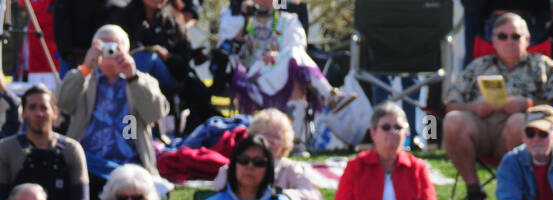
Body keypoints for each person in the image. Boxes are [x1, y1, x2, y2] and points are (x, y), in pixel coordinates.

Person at [442, 11, 553, 200]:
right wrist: (474, 108)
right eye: (502, 36)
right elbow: (450, 104)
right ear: (493, 40)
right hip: (481, 128)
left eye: (516, 36)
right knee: (453, 121)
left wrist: (527, 104)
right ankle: (474, 192)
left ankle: (518, 193)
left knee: (518, 122)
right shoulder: (478, 66)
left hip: (520, 131)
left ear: (527, 39)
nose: (509, 41)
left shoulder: (543, 66)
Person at [220, 0, 353, 141]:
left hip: (281, 71)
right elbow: (227, 51)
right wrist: (245, 18)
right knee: (294, 59)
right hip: (253, 76)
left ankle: (295, 141)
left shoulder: (288, 20)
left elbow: (298, 47)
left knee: (295, 63)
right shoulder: (238, 21)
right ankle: (329, 95)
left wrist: (277, 56)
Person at [57, 25, 170, 183]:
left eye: (115, 45)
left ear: (127, 50)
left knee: (128, 173)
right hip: (88, 164)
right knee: (81, 161)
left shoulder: (143, 81)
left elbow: (155, 114)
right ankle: (112, 175)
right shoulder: (83, 78)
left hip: (130, 163)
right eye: (102, 45)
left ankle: (114, 175)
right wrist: (85, 68)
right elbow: (62, 104)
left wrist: (133, 78)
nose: (108, 50)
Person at [106, 0, 213, 136]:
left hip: (166, 77)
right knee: (143, 57)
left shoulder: (173, 20)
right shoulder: (123, 16)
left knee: (146, 58)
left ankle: (122, 101)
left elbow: (183, 62)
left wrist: (167, 56)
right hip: (128, 72)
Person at [0, 85, 89, 200]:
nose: (39, 113)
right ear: (23, 113)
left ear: (55, 112)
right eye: (32, 108)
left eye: (44, 108)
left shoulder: (72, 150)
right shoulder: (6, 149)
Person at [210, 107, 321, 200]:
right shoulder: (236, 167)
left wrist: (280, 196)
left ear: (285, 142)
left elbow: (314, 198)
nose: (271, 141)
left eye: (276, 137)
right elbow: (215, 195)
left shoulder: (290, 169)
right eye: (266, 135)